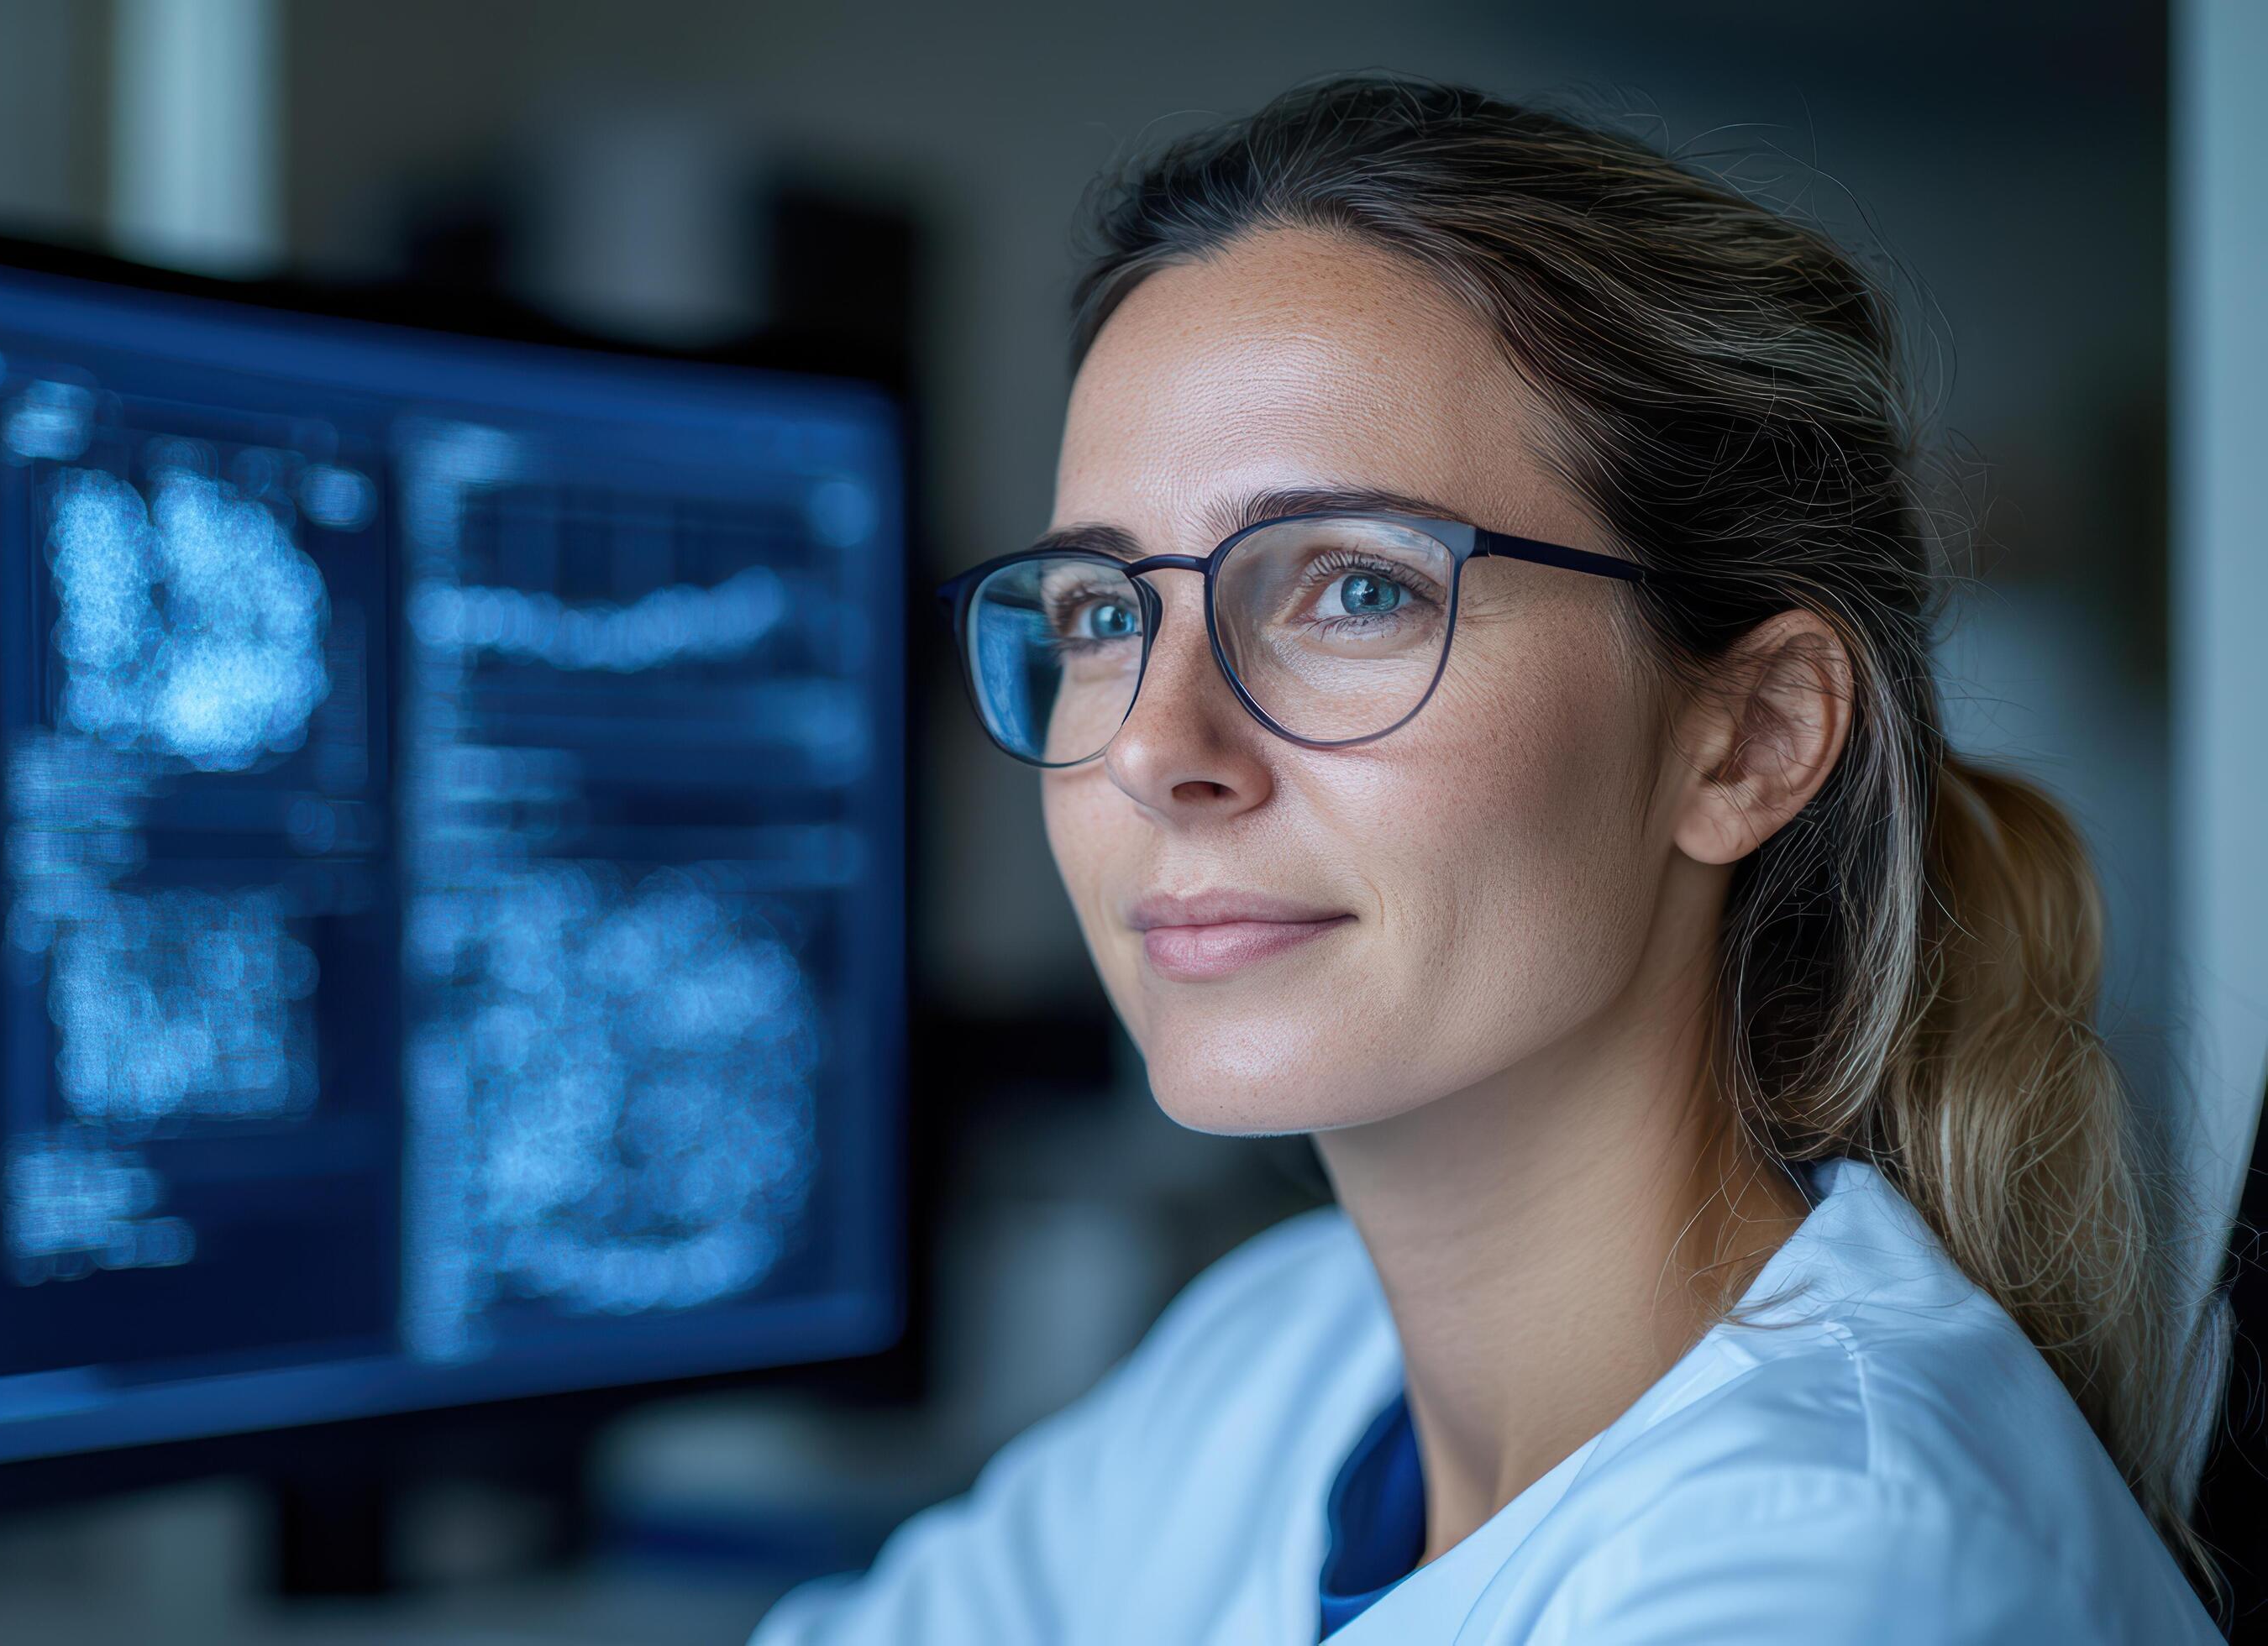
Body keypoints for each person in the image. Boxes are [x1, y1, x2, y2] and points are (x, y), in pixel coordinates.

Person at [753, 76, 2223, 1643]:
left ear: (1746, 739)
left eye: (1354, 590)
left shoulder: (1837, 1575)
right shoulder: (1281, 1358)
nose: (1149, 749)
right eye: (1105, 616)